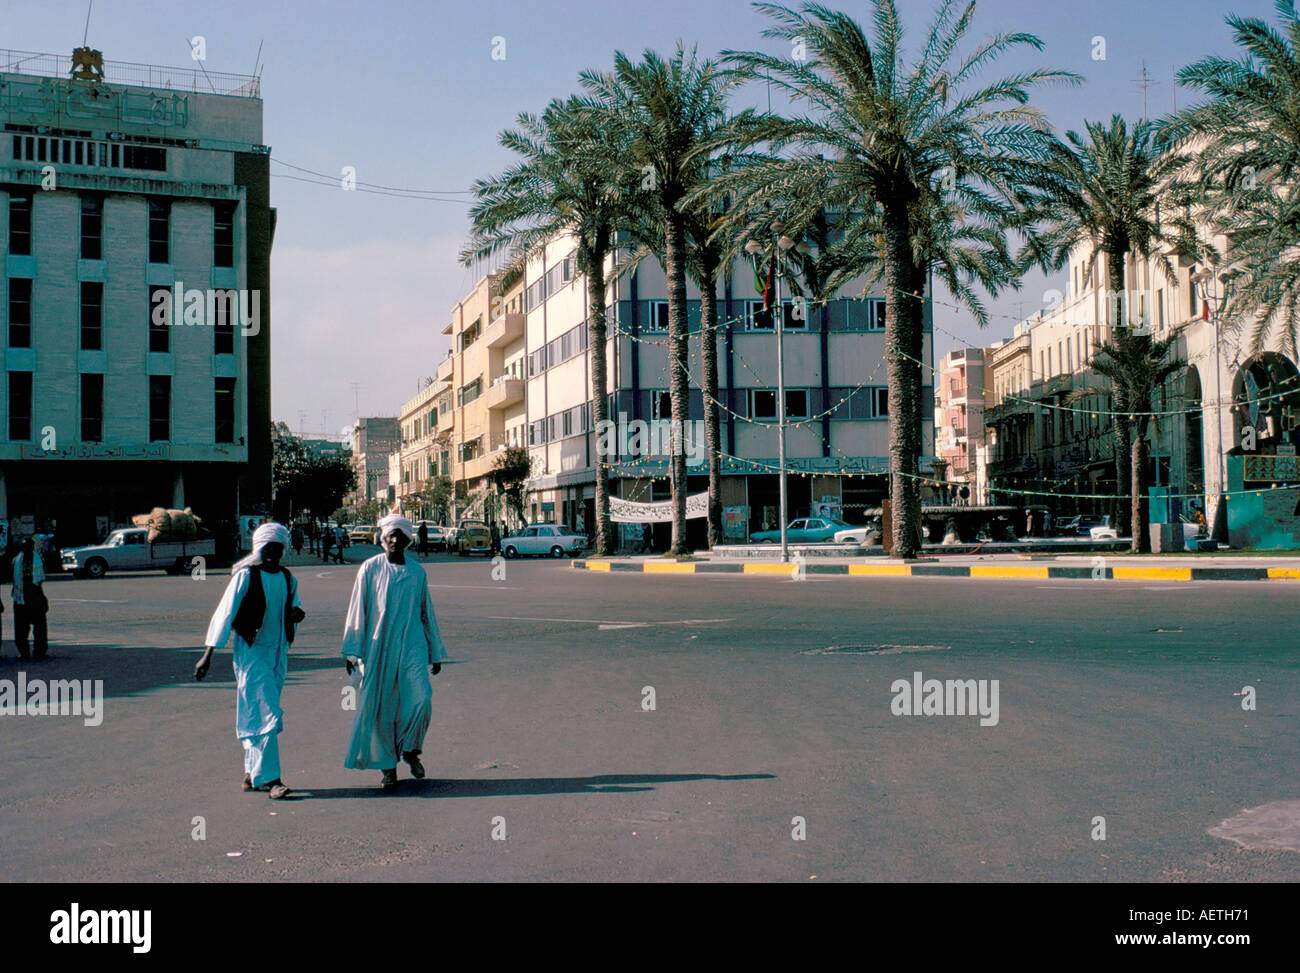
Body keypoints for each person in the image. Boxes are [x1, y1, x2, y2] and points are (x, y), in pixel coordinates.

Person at [195, 522, 305, 800]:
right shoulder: (246, 576)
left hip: (279, 653)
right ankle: (272, 780)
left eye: (278, 548)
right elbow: (225, 613)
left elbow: (293, 607)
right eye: (268, 548)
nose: (273, 553)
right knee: (267, 712)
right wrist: (208, 654)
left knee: (257, 712)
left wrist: (296, 615)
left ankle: (250, 773)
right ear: (259, 548)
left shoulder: (288, 577)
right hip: (252, 653)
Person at [341, 514, 447, 790]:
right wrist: (353, 650)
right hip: (378, 647)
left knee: (421, 698)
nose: (395, 540)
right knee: (381, 709)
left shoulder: (416, 571)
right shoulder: (369, 569)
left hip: (412, 645)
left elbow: (426, 612)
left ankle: (411, 749)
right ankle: (388, 768)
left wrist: (434, 652)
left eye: (400, 535)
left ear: (408, 540)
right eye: (391, 535)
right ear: (382, 538)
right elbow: (357, 609)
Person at [12, 537, 48, 660]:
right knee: (22, 629)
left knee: (39, 628)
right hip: (21, 597)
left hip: (34, 597)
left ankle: (39, 651)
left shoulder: (35, 560)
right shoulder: (16, 561)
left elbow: (39, 582)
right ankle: (24, 652)